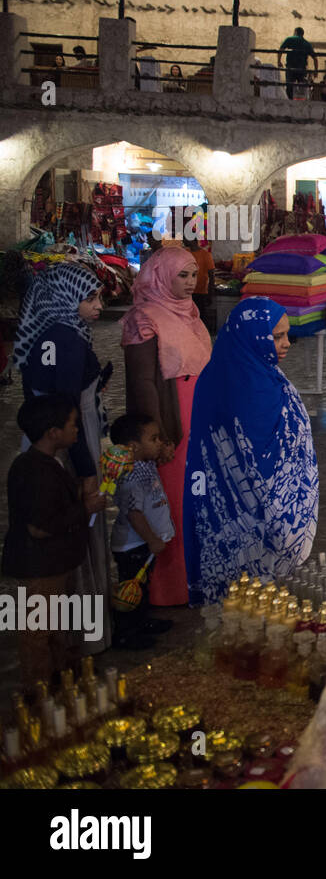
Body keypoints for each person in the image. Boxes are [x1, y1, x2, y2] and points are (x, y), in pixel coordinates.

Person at [184, 299, 318, 604]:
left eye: (287, 336)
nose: (285, 345)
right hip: (243, 503)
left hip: (275, 495)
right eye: (277, 337)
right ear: (254, 336)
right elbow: (246, 451)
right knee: (243, 584)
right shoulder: (229, 381)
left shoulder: (265, 371)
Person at [14, 262, 113, 653]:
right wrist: (88, 470)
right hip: (73, 439)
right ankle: (84, 638)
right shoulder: (67, 341)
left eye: (99, 296)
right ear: (65, 297)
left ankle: (69, 634)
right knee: (78, 524)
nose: (98, 305)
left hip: (45, 438)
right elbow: (68, 405)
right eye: (89, 297)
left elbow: (35, 394)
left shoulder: (49, 334)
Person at [120, 246, 212, 607]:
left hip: (198, 414)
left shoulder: (190, 312)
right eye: (182, 276)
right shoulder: (144, 317)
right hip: (171, 419)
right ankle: (164, 589)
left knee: (195, 501)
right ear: (161, 276)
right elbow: (142, 382)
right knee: (167, 502)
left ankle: (194, 579)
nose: (191, 283)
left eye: (193, 275)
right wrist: (156, 437)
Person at [3, 396, 106, 685]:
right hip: (41, 566)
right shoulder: (35, 471)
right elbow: (40, 528)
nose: (77, 429)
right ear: (53, 432)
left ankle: (60, 678)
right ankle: (39, 693)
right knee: (38, 632)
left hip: (55, 563)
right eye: (72, 424)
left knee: (57, 625)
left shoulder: (44, 463)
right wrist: (85, 508)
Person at [108, 413, 174, 649]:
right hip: (132, 544)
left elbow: (155, 461)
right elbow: (134, 514)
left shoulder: (143, 463)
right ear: (133, 446)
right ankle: (126, 633)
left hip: (141, 543)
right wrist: (152, 539)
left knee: (142, 586)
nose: (159, 443)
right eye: (154, 439)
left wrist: (163, 452)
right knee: (130, 590)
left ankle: (142, 622)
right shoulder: (130, 476)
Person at [184, 238, 217, 333]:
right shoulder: (185, 253)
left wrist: (210, 293)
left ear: (193, 240)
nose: (183, 240)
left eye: (186, 238)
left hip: (200, 292)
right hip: (187, 292)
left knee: (201, 317)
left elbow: (212, 276)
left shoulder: (206, 255)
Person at [278, 26, 318, 100]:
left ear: (295, 32)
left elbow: (281, 50)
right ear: (303, 34)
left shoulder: (289, 39)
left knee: (289, 85)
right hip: (301, 68)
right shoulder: (307, 43)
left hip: (291, 66)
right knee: (302, 86)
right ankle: (301, 102)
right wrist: (316, 71)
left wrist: (279, 61)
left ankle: (289, 101)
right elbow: (315, 58)